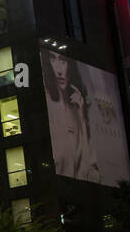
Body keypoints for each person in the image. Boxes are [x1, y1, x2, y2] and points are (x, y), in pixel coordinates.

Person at [42, 49, 102, 183]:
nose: (59, 70)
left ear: (69, 65)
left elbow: (92, 174)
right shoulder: (46, 105)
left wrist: (81, 116)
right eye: (52, 59)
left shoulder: (76, 109)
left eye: (62, 60)